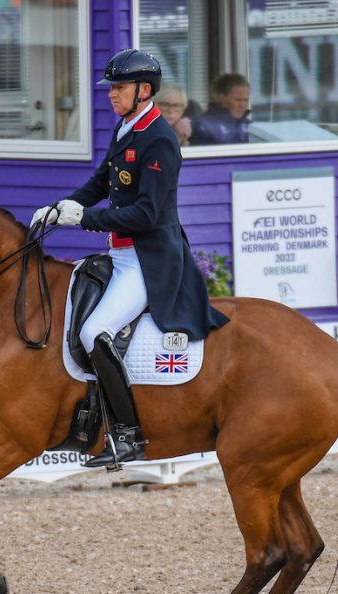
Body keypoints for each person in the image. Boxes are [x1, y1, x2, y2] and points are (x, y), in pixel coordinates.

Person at [31, 49, 229, 470]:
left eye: (119, 88)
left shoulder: (160, 139)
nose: (112, 95)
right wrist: (61, 206)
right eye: (112, 89)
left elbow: (147, 214)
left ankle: (128, 436)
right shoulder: (126, 128)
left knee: (94, 332)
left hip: (148, 258)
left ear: (144, 90)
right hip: (119, 253)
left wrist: (84, 219)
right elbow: (101, 181)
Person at [190, 73, 251, 145]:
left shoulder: (249, 125)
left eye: (245, 100)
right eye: (237, 100)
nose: (242, 105)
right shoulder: (203, 126)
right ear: (222, 97)